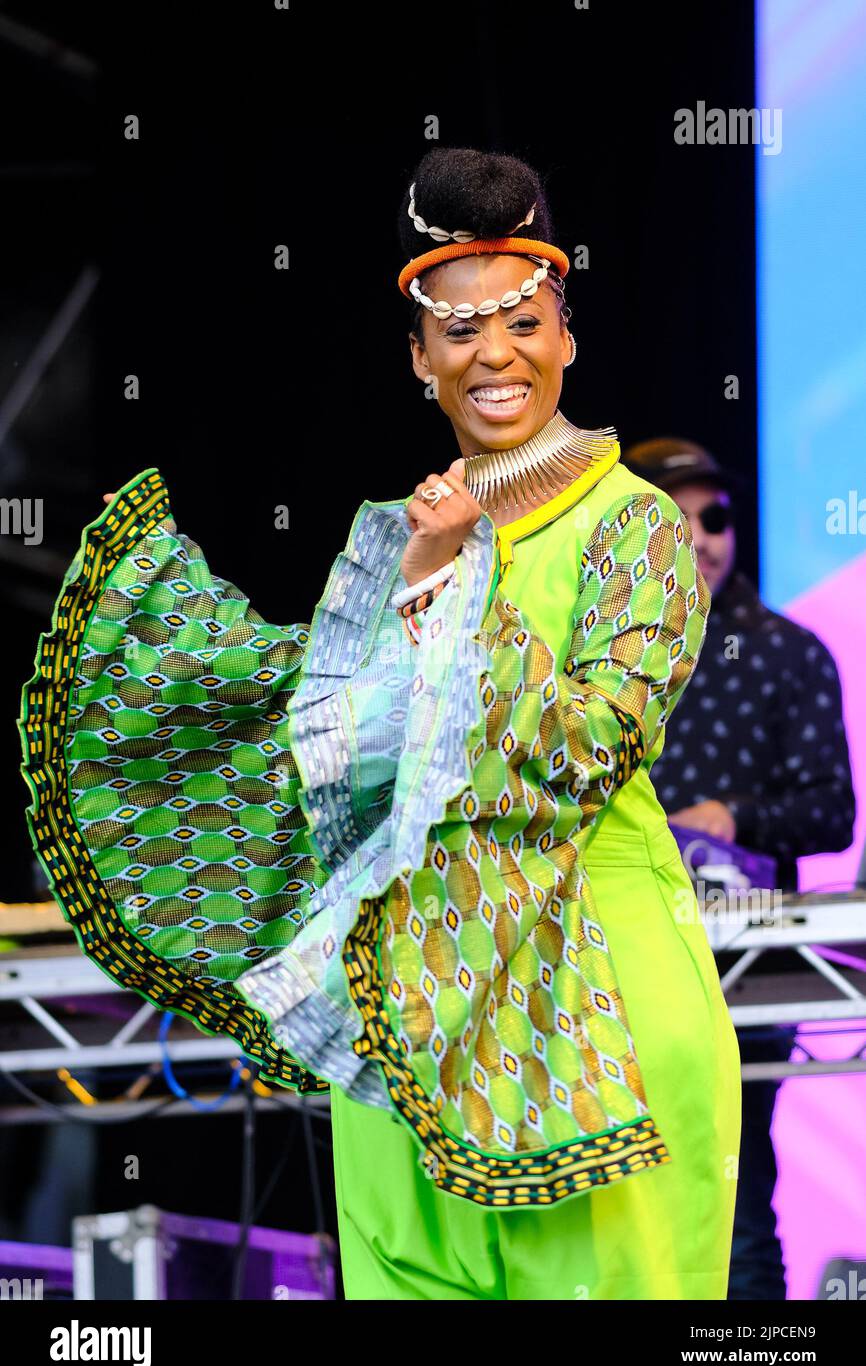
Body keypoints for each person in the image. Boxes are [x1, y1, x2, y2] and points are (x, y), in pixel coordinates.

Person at [19, 148, 741, 1301]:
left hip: (595, 998)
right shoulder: (388, 537)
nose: (492, 354)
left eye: (520, 320)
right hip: (409, 1010)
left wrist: (446, 587)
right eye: (457, 331)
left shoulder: (632, 523)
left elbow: (586, 747)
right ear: (418, 358)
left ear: (565, 336)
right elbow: (327, 767)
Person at [622, 435, 856, 1300]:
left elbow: (833, 812)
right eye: (673, 518)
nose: (702, 536)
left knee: (736, 1206)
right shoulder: (598, 655)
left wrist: (733, 820)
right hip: (616, 960)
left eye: (713, 516)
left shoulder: (788, 653)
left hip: (748, 974)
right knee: (614, 1209)